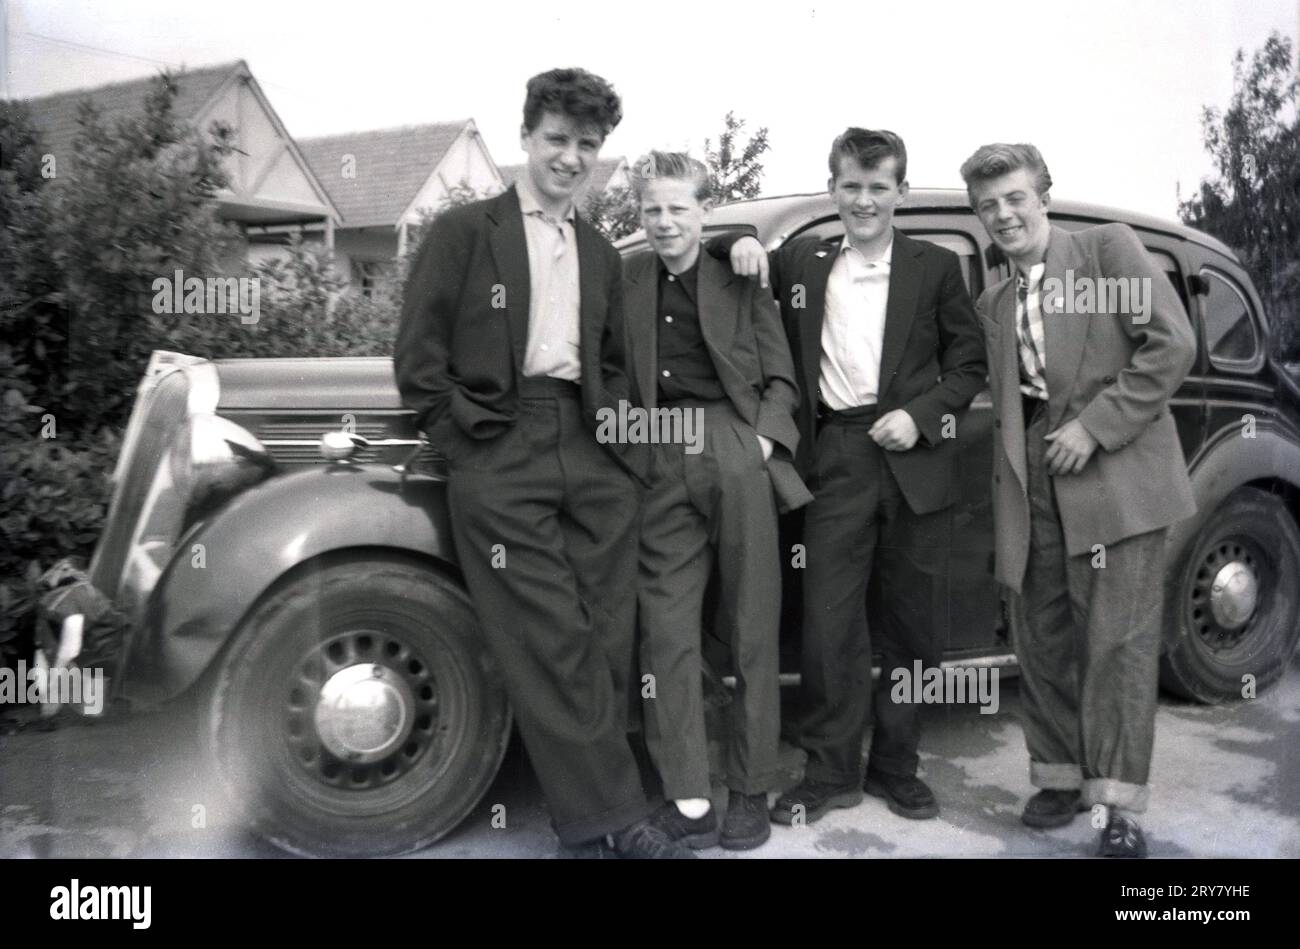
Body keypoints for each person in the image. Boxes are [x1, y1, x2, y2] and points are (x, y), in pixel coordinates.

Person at [394, 68, 689, 859]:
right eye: (556, 139)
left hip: (589, 448)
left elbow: (617, 364)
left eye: (586, 145)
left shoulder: (599, 250)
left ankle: (585, 816)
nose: (570, 157)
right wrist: (466, 449)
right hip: (500, 444)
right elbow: (417, 361)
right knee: (549, 635)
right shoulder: (465, 232)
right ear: (525, 137)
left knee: (603, 632)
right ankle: (610, 822)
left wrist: (622, 456)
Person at [713, 129, 986, 824]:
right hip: (835, 452)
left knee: (912, 623)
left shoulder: (935, 267)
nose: (864, 200)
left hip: (914, 457)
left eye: (878, 186)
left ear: (900, 191)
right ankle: (831, 771)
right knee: (827, 624)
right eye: (851, 186)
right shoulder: (804, 259)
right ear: (832, 188)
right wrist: (737, 240)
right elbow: (727, 258)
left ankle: (898, 766)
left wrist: (921, 416)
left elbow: (968, 364)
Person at [960, 143, 1196, 857]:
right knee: (1042, 633)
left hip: (1111, 468)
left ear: (1043, 197)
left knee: (1117, 644)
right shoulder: (993, 301)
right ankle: (1059, 776)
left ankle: (1117, 807)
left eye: (1015, 198)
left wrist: (1095, 427)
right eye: (988, 205)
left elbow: (1171, 344)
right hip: (1031, 474)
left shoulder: (1104, 254)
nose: (1003, 214)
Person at [623, 151, 811, 850]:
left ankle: (753, 788)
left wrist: (761, 444)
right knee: (665, 631)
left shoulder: (737, 274)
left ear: (705, 213)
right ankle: (691, 795)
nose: (664, 222)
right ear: (637, 214)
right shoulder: (626, 277)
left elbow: (782, 377)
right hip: (657, 455)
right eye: (652, 209)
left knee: (752, 625)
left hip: (734, 446)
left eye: (679, 208)